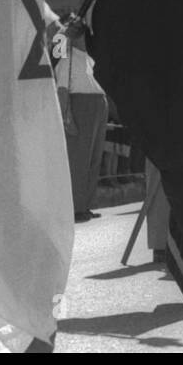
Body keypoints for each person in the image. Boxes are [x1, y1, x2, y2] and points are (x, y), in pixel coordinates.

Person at [53, 14, 108, 222]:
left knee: (94, 158)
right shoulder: (64, 49)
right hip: (80, 103)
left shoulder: (91, 51)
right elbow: (61, 83)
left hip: (98, 102)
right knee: (79, 159)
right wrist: (66, 113)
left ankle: (86, 204)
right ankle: (75, 208)